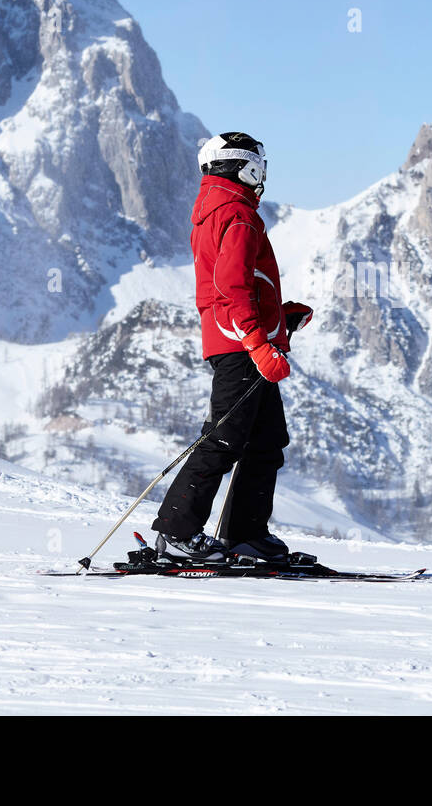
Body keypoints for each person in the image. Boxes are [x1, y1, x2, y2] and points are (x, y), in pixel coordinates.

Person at [151, 132, 313, 563]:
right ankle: (178, 532)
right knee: (224, 440)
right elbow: (231, 286)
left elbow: (235, 286)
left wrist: (279, 315)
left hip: (239, 340)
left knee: (266, 442)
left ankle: (245, 534)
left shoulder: (219, 210)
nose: (264, 174)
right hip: (240, 346)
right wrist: (259, 342)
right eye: (260, 164)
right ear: (245, 166)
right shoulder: (238, 214)